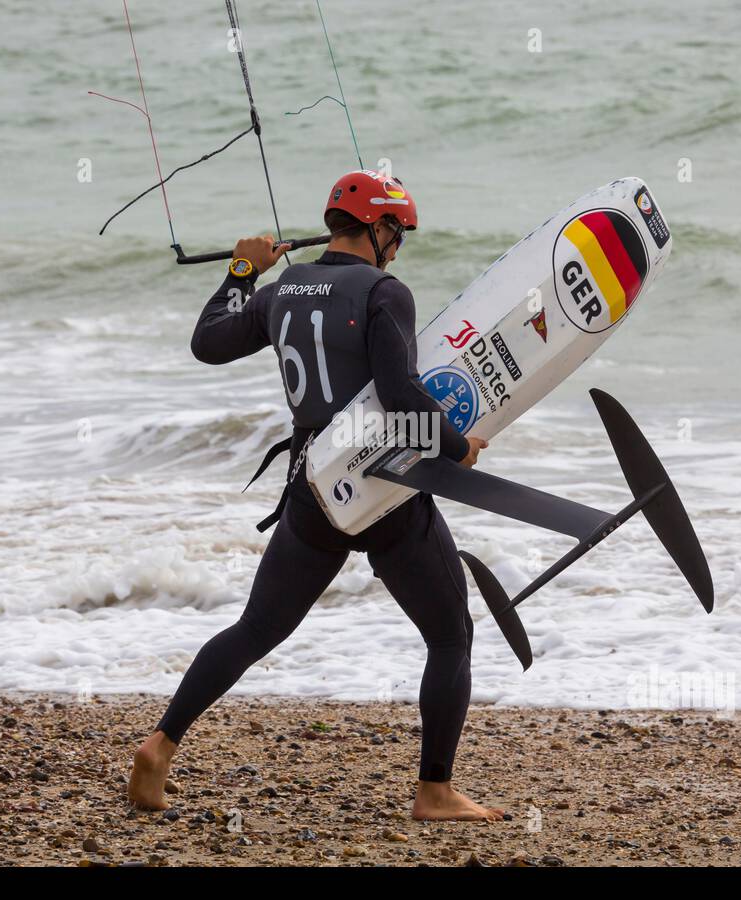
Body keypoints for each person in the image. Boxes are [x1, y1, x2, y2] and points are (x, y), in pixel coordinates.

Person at [128, 170, 502, 821]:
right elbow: (399, 393)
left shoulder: (282, 292)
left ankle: (159, 746)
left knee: (254, 631)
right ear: (380, 229)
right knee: (450, 637)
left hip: (314, 493)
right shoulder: (386, 291)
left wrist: (243, 271)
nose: (400, 246)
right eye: (400, 233)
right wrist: (457, 444)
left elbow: (208, 342)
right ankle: (434, 792)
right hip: (385, 493)